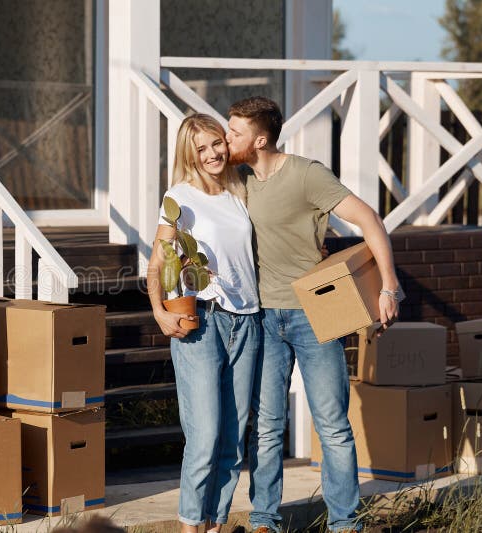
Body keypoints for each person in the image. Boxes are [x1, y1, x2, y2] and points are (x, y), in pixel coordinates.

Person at [224, 97, 402, 533]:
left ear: (260, 139)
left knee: (332, 424)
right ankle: (266, 519)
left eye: (234, 133)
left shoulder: (306, 174)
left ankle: (344, 524)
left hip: (315, 312)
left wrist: (389, 285)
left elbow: (369, 219)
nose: (226, 140)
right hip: (263, 316)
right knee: (266, 427)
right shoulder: (239, 179)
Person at [147, 114, 261, 533]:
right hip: (203, 323)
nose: (212, 154)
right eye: (201, 148)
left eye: (217, 143)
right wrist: (160, 311)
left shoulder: (240, 191)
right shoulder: (179, 197)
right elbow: (158, 261)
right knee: (205, 435)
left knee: (233, 439)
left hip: (247, 320)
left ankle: (214, 524)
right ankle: (190, 526)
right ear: (189, 154)